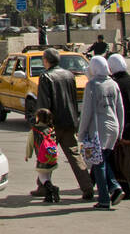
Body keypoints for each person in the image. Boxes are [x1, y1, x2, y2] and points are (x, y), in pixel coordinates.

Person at [36, 48, 92, 200]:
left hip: (52, 124)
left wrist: (41, 124)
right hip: (69, 121)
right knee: (74, 155)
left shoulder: (46, 76)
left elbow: (43, 104)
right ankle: (87, 186)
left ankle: (45, 186)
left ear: (46, 60)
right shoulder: (69, 75)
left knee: (46, 155)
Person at [79, 55, 125, 210]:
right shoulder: (113, 84)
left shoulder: (92, 85)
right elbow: (120, 109)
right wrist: (120, 130)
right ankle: (114, 188)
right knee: (103, 160)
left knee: (97, 164)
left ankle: (105, 197)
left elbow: (87, 111)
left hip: (98, 129)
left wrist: (81, 132)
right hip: (114, 127)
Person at [108, 53, 130, 200]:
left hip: (121, 124)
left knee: (120, 158)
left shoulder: (115, 83)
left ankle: (126, 188)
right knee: (127, 156)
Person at [25, 108, 60, 203]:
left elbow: (30, 144)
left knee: (43, 177)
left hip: (42, 158)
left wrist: (28, 155)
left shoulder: (34, 130)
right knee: (48, 175)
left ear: (38, 118)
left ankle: (53, 188)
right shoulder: (51, 129)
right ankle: (48, 196)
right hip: (52, 157)